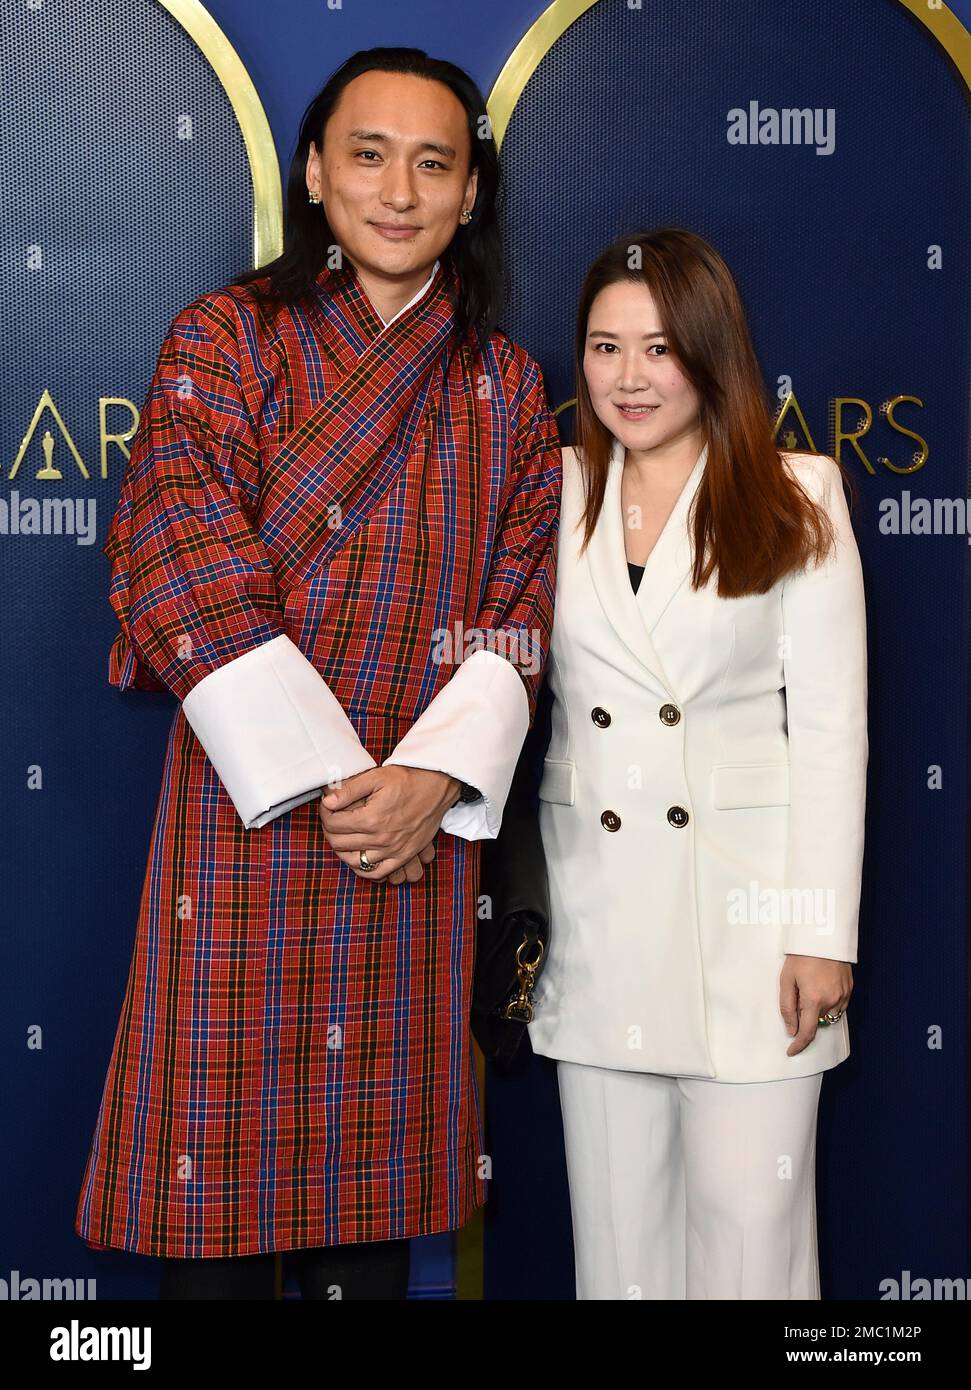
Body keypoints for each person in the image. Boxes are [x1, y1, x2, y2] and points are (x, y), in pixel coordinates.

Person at [74, 47, 561, 1300]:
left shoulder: (505, 388)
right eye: (367, 153)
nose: (399, 190)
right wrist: (345, 777)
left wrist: (429, 781)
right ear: (313, 172)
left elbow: (516, 620)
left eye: (434, 163)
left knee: (363, 1244)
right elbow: (179, 554)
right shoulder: (225, 338)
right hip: (247, 826)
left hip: (407, 849)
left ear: (470, 195)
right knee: (213, 1254)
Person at [526, 227, 867, 1300]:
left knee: (750, 1243)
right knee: (620, 1256)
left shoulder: (794, 491)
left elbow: (827, 730)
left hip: (750, 935)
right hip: (599, 922)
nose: (629, 377)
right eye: (603, 347)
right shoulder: (550, 491)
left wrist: (818, 933)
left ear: (711, 353)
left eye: (660, 348)